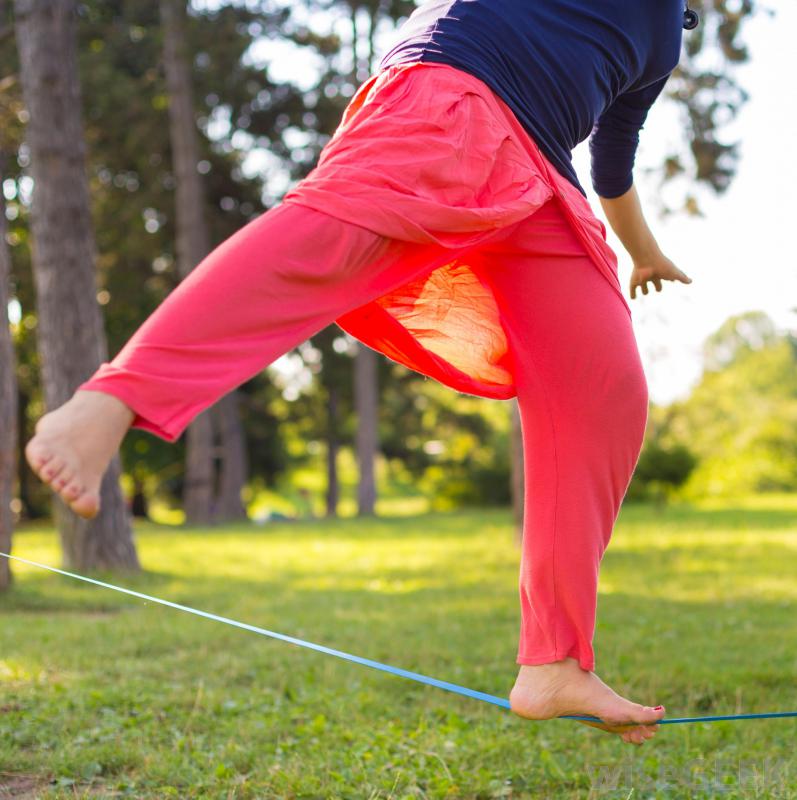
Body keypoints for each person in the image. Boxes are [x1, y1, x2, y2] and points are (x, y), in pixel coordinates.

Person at [24, 0, 695, 745]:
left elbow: (614, 158)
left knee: (602, 387)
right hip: (453, 91)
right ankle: (110, 400)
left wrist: (643, 251)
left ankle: (554, 660)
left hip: (541, 174)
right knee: (328, 243)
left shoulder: (663, 33)